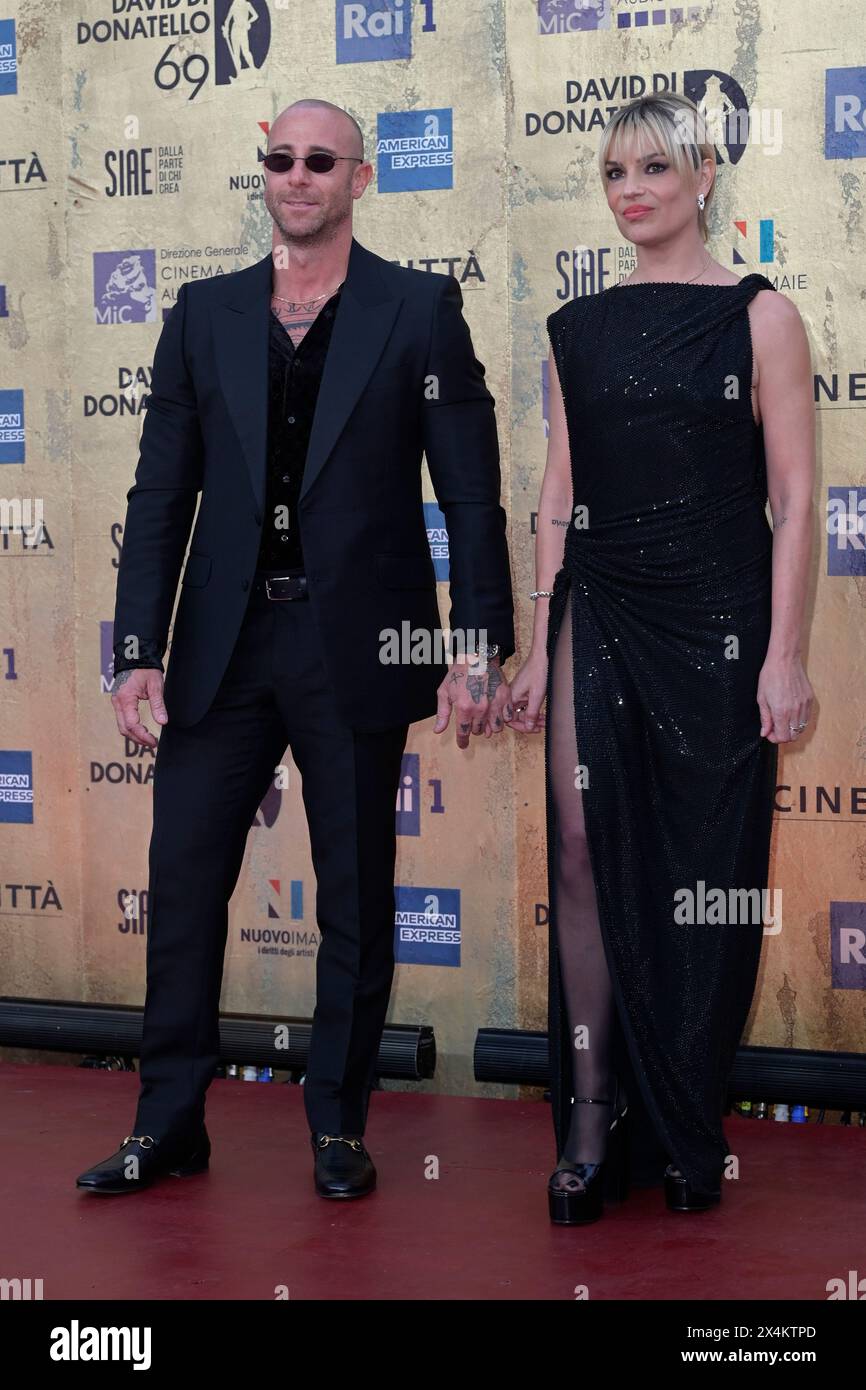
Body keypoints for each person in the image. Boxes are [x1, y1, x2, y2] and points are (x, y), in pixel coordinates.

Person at [76, 99, 514, 1200]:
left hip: (355, 643)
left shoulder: (417, 309)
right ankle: (168, 1121)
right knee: (180, 886)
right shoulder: (201, 313)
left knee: (356, 897)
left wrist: (478, 644)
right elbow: (159, 491)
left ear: (360, 179)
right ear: (262, 174)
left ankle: (336, 1124)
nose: (298, 175)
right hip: (222, 644)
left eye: (321, 160)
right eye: (280, 159)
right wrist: (136, 650)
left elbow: (467, 492)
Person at [510, 92, 815, 1223]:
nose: (631, 189)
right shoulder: (573, 330)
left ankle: (684, 1115)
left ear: (702, 180)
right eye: (612, 173)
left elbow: (792, 496)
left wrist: (781, 656)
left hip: (718, 617)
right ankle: (590, 1119)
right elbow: (557, 495)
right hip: (603, 601)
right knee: (582, 851)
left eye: (652, 168)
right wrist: (540, 642)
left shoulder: (759, 315)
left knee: (703, 879)